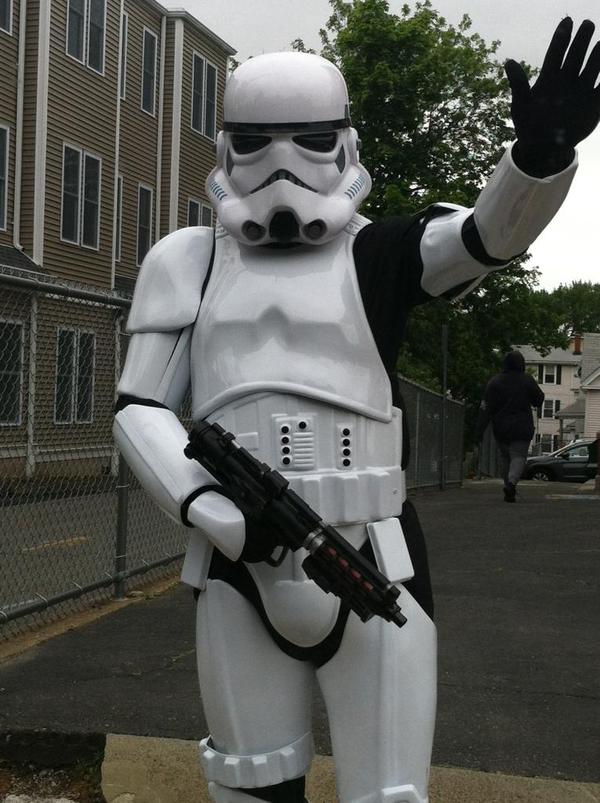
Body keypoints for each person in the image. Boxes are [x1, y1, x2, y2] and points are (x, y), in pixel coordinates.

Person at [113, 18, 600, 803]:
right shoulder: (189, 261)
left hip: (373, 553)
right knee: (248, 782)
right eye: (256, 143)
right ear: (225, 147)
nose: (282, 166)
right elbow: (140, 407)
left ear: (344, 145)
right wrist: (208, 503)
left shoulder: (379, 253)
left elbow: (481, 238)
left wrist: (535, 163)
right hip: (239, 562)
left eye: (308, 140)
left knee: (390, 792)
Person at [476, 350, 545, 502]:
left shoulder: (494, 382)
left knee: (505, 458)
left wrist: (479, 430)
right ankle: (512, 484)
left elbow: (486, 408)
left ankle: (508, 486)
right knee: (518, 456)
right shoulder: (526, 380)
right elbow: (539, 399)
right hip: (522, 426)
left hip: (501, 427)